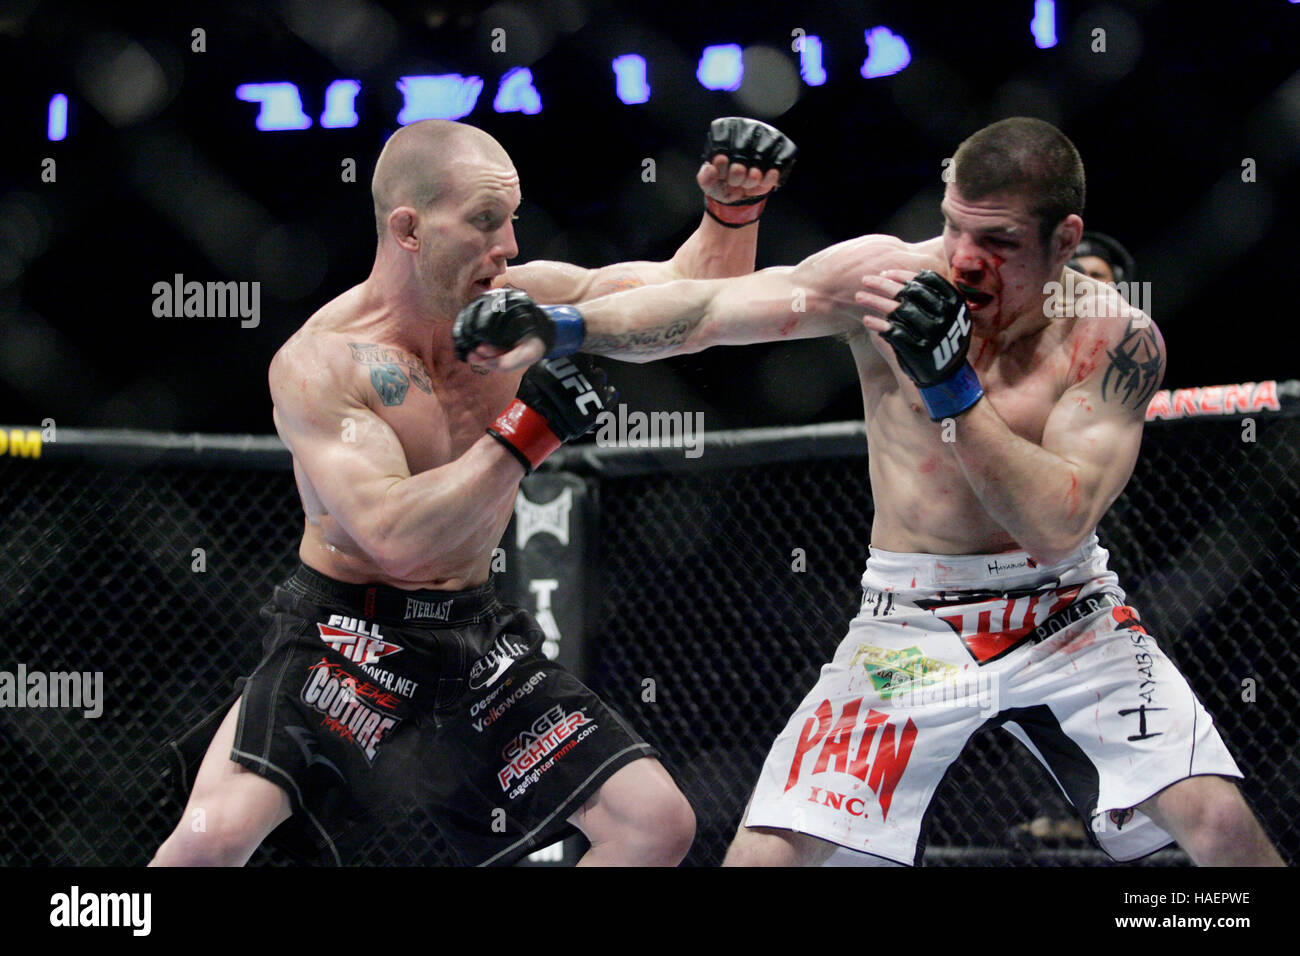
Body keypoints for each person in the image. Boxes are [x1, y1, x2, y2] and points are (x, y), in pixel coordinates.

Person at [453, 116, 1284, 866]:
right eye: (955, 225)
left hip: (1065, 612)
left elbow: (1057, 524)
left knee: (1221, 829)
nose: (962, 258)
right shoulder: (884, 281)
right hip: (910, 621)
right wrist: (562, 326)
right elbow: (708, 308)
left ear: (1064, 239)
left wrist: (952, 385)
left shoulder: (1113, 337)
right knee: (763, 861)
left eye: (995, 240)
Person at [150, 115, 796, 867]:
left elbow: (688, 306)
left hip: (472, 634)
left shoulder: (520, 310)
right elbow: (393, 535)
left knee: (653, 821)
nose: (511, 246)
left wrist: (731, 214)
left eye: (512, 219)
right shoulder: (324, 362)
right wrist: (533, 428)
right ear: (410, 228)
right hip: (346, 635)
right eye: (486, 221)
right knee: (210, 840)